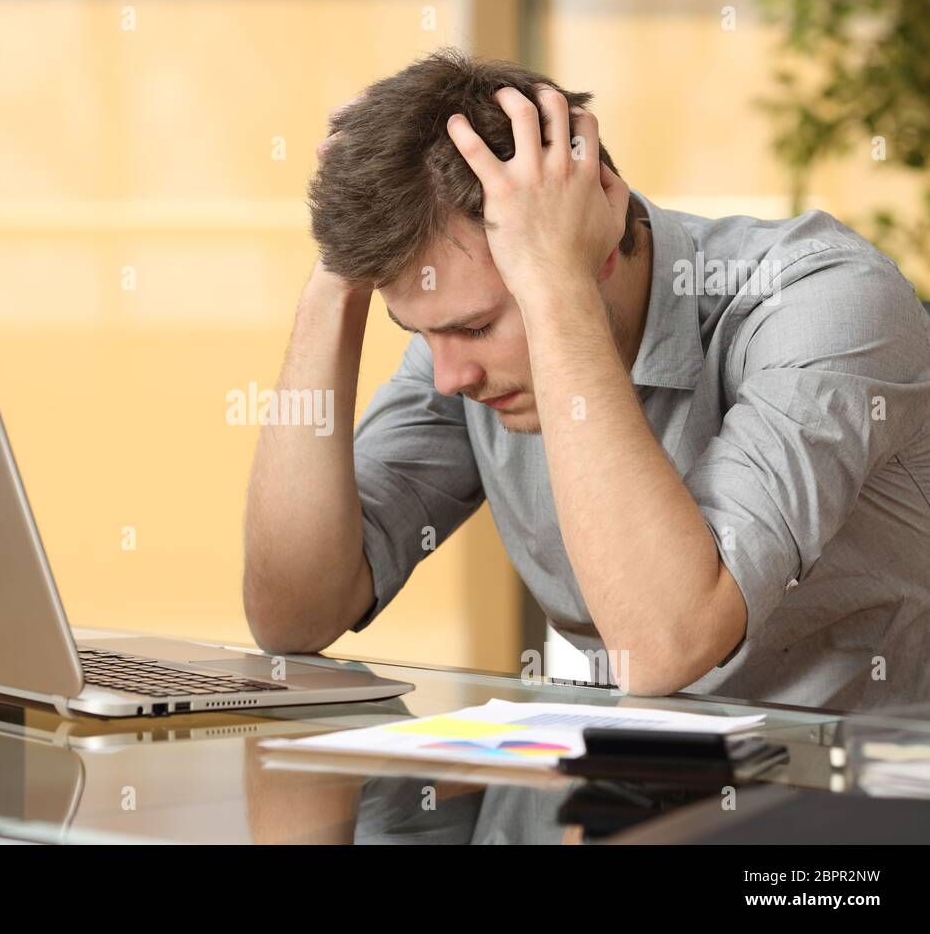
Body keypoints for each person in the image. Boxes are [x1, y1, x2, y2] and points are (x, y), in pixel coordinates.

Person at [243, 49, 930, 711]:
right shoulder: (464, 346)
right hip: (638, 800)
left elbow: (664, 645)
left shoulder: (825, 303)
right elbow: (294, 618)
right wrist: (335, 278)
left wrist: (555, 287)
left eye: (477, 328)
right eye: (422, 333)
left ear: (595, 243)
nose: (450, 377)